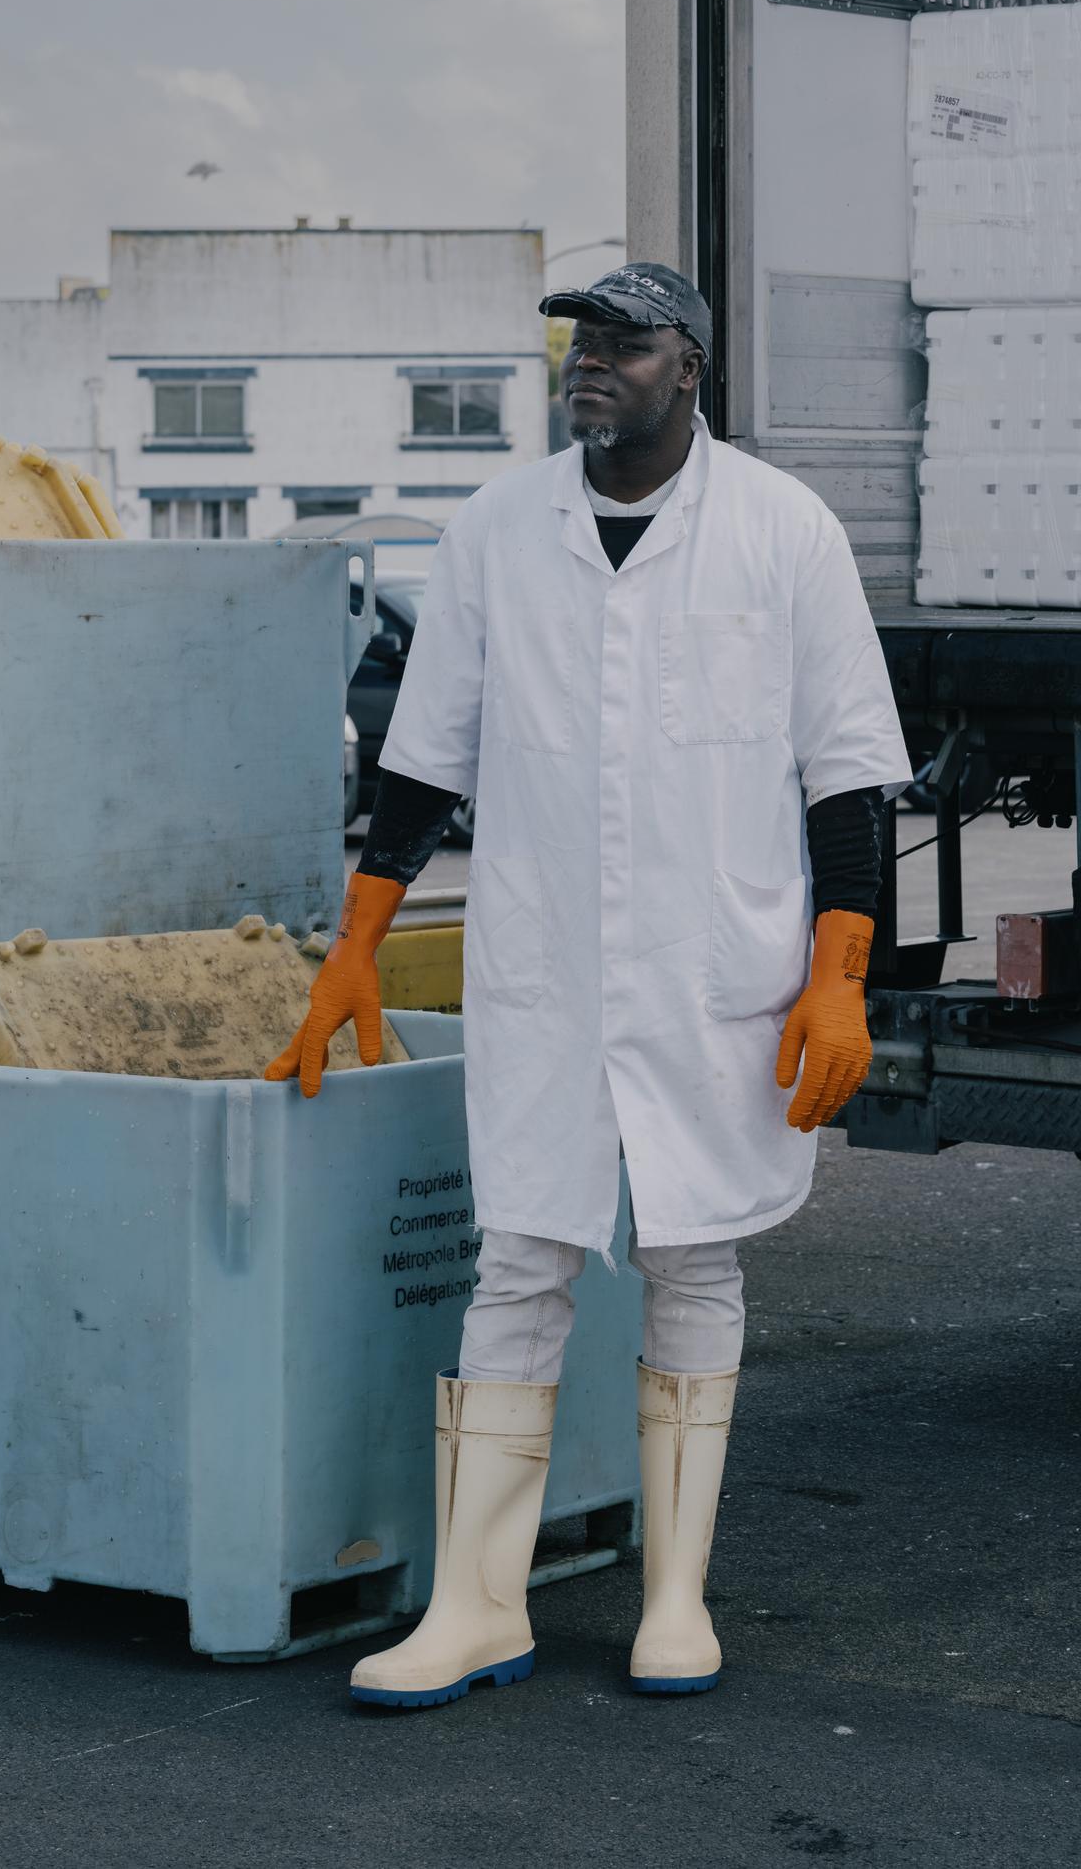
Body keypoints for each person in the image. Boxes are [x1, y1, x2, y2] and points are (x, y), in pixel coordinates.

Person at [268, 262, 907, 1711]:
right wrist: (357, 943)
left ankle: (675, 1599)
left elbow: (849, 777)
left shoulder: (780, 531)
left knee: (696, 1253)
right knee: (520, 1255)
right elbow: (427, 758)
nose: (589, 364)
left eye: (622, 343)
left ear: (689, 367)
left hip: (713, 970)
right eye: (577, 342)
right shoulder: (499, 529)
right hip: (546, 968)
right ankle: (476, 1604)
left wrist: (840, 979)